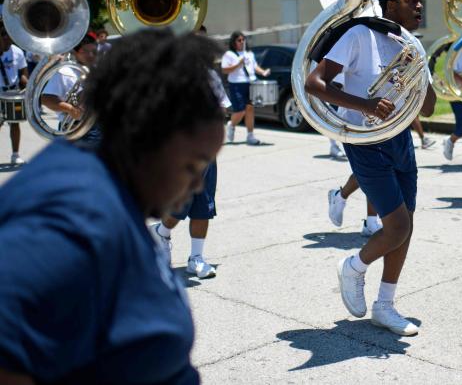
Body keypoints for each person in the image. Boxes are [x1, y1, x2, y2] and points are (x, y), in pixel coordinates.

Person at [0, 29, 224, 384]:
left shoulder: (117, 190)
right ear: (146, 135)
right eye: (192, 167)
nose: (198, 185)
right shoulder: (69, 217)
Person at [305, 0, 436, 336]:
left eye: (421, 2)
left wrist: (413, 75)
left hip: (400, 139)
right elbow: (314, 83)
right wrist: (365, 105)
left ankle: (385, 306)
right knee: (396, 226)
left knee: (405, 225)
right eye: (411, 1)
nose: (420, 7)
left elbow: (430, 106)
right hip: (364, 141)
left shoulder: (409, 45)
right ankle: (354, 266)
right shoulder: (360, 33)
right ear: (390, 4)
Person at [150, 50, 232, 280]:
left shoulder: (210, 76)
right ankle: (162, 232)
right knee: (180, 202)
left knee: (203, 205)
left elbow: (224, 106)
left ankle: (196, 258)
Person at [40, 31, 100, 144]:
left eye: (94, 52)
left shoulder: (100, 71)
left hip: (99, 127)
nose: (91, 55)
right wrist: (69, 108)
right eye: (85, 51)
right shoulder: (64, 72)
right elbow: (46, 98)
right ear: (75, 52)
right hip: (74, 128)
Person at [221, 31, 270, 145]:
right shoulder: (229, 54)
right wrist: (238, 64)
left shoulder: (249, 54)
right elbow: (224, 70)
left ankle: (250, 135)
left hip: (251, 83)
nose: (242, 42)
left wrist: (263, 72)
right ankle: (231, 125)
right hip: (236, 84)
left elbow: (255, 66)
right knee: (240, 111)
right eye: (239, 40)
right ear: (234, 42)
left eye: (243, 39)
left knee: (250, 109)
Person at [0, 22, 29, 165]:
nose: (7, 37)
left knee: (15, 123)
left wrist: (25, 79)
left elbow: (23, 71)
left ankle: (15, 154)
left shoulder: (17, 51)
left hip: (12, 92)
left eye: (8, 34)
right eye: (3, 34)